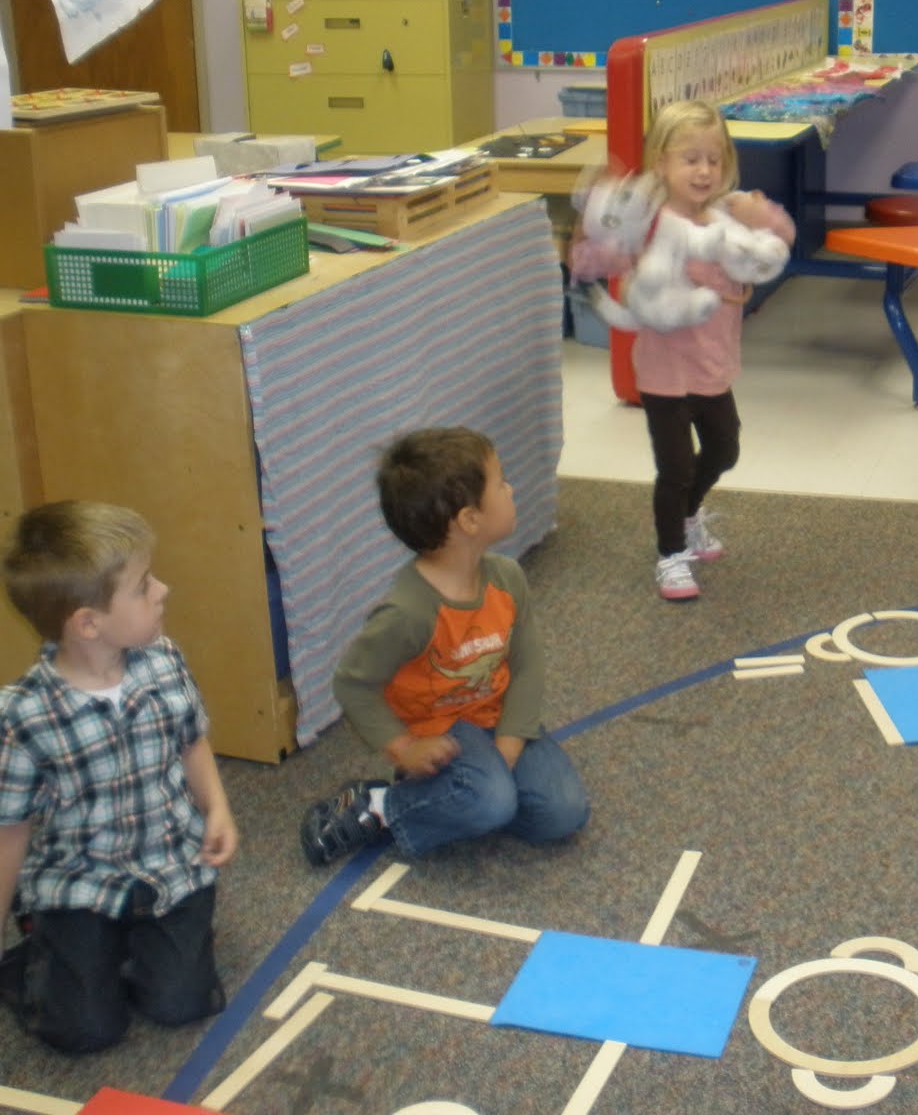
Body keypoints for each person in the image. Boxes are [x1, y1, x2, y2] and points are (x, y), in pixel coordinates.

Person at [0, 501, 237, 1053]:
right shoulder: (22, 717)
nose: (163, 589)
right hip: (79, 880)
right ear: (88, 623)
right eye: (143, 585)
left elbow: (191, 740)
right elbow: (9, 835)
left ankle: (129, 950)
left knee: (181, 1005)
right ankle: (36, 960)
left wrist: (217, 808)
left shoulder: (163, 660)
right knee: (85, 1032)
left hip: (169, 864)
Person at [300, 426, 590, 866]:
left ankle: (462, 797)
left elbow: (527, 666)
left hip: (494, 720)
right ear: (469, 520)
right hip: (439, 733)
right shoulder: (408, 612)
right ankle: (379, 805)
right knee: (491, 800)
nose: (510, 489)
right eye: (500, 482)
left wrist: (509, 746)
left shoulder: (508, 578)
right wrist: (403, 749)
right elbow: (353, 685)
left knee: (563, 813)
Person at [628, 99, 795, 601]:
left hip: (711, 362)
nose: (704, 170)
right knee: (675, 465)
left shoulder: (726, 214)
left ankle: (687, 513)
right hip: (665, 369)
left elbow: (778, 240)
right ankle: (671, 554)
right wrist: (731, 280)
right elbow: (675, 282)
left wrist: (756, 212)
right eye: (690, 158)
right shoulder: (655, 223)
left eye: (713, 159)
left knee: (725, 448)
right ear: (661, 163)